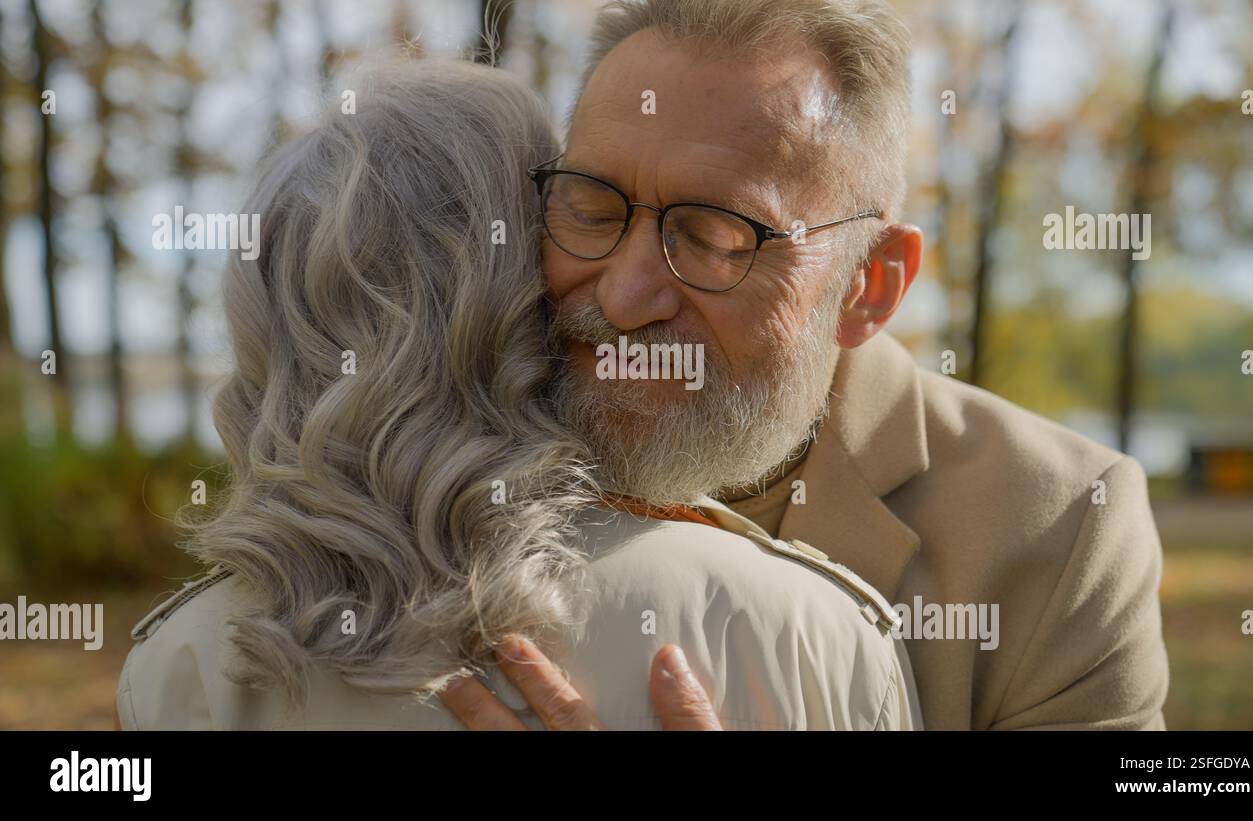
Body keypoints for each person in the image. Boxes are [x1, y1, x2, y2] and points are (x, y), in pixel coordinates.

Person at [115, 58, 920, 731]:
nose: (622, 292)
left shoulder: (181, 663)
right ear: (515, 290)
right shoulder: (807, 634)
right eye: (588, 212)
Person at [461, 0, 1169, 730]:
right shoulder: (432, 440)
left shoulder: (1060, 529)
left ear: (871, 284)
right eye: (592, 209)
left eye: (716, 237)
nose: (623, 295)